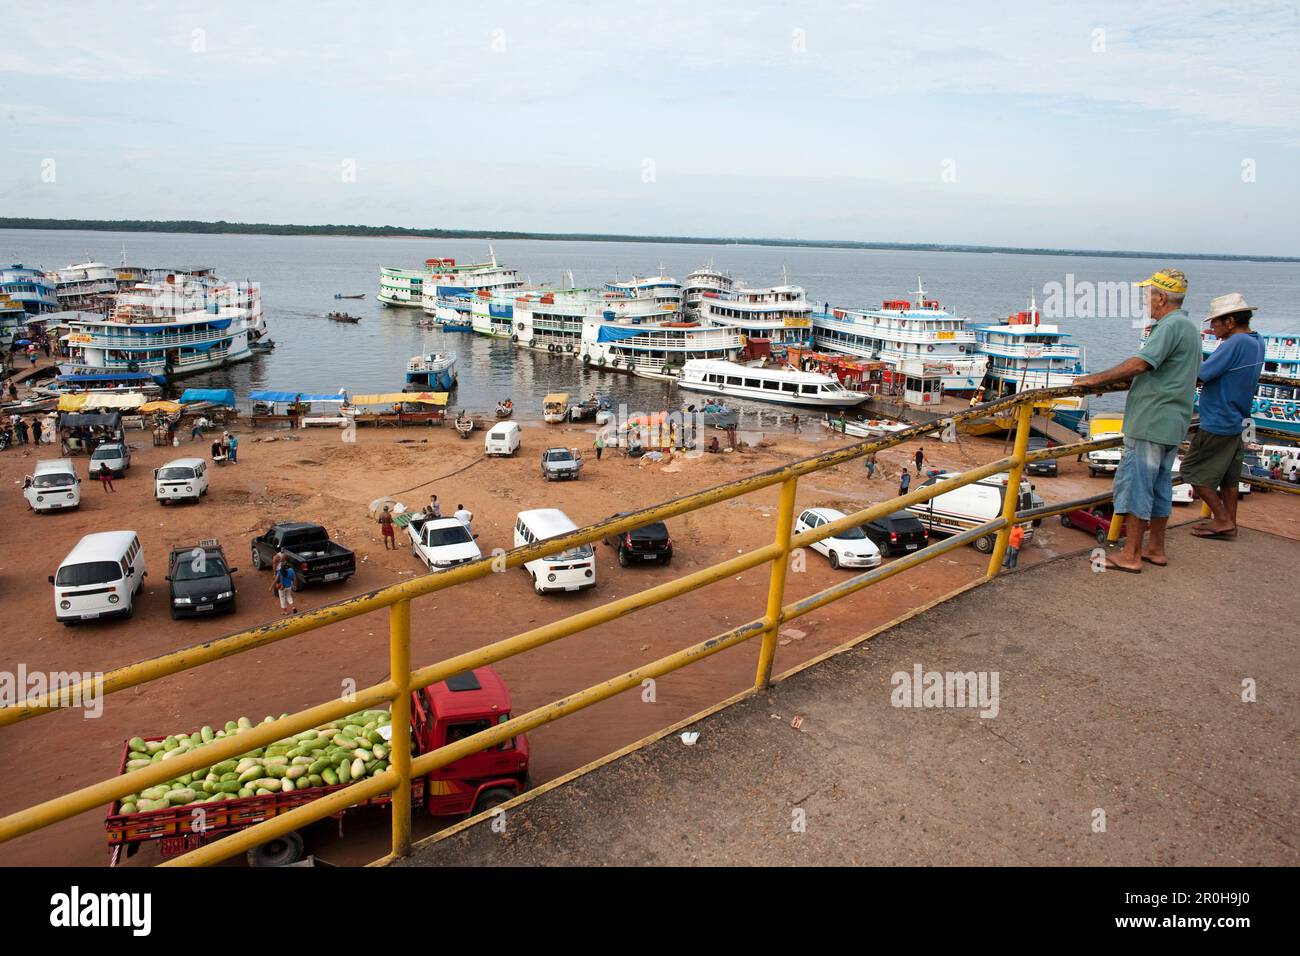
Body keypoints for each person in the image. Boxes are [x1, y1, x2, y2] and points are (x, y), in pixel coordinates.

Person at [1075, 268, 1200, 572]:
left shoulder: (1169, 327)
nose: (1146, 301)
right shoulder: (1188, 327)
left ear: (1160, 297)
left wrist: (1096, 379)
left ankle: (1130, 554)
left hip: (1151, 421)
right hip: (1171, 420)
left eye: (1148, 295)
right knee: (1160, 486)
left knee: (1136, 487)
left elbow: (1141, 363)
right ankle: (1155, 548)